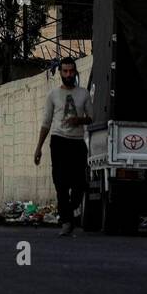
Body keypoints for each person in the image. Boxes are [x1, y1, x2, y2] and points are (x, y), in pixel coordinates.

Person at [34, 56, 93, 236]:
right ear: (60, 73)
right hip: (59, 141)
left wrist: (79, 119)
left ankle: (72, 207)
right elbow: (46, 122)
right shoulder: (53, 95)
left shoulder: (83, 94)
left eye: (71, 71)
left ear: (75, 72)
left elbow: (91, 117)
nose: (68, 74)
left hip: (77, 142)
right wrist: (38, 148)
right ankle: (66, 222)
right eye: (65, 71)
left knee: (79, 183)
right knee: (60, 183)